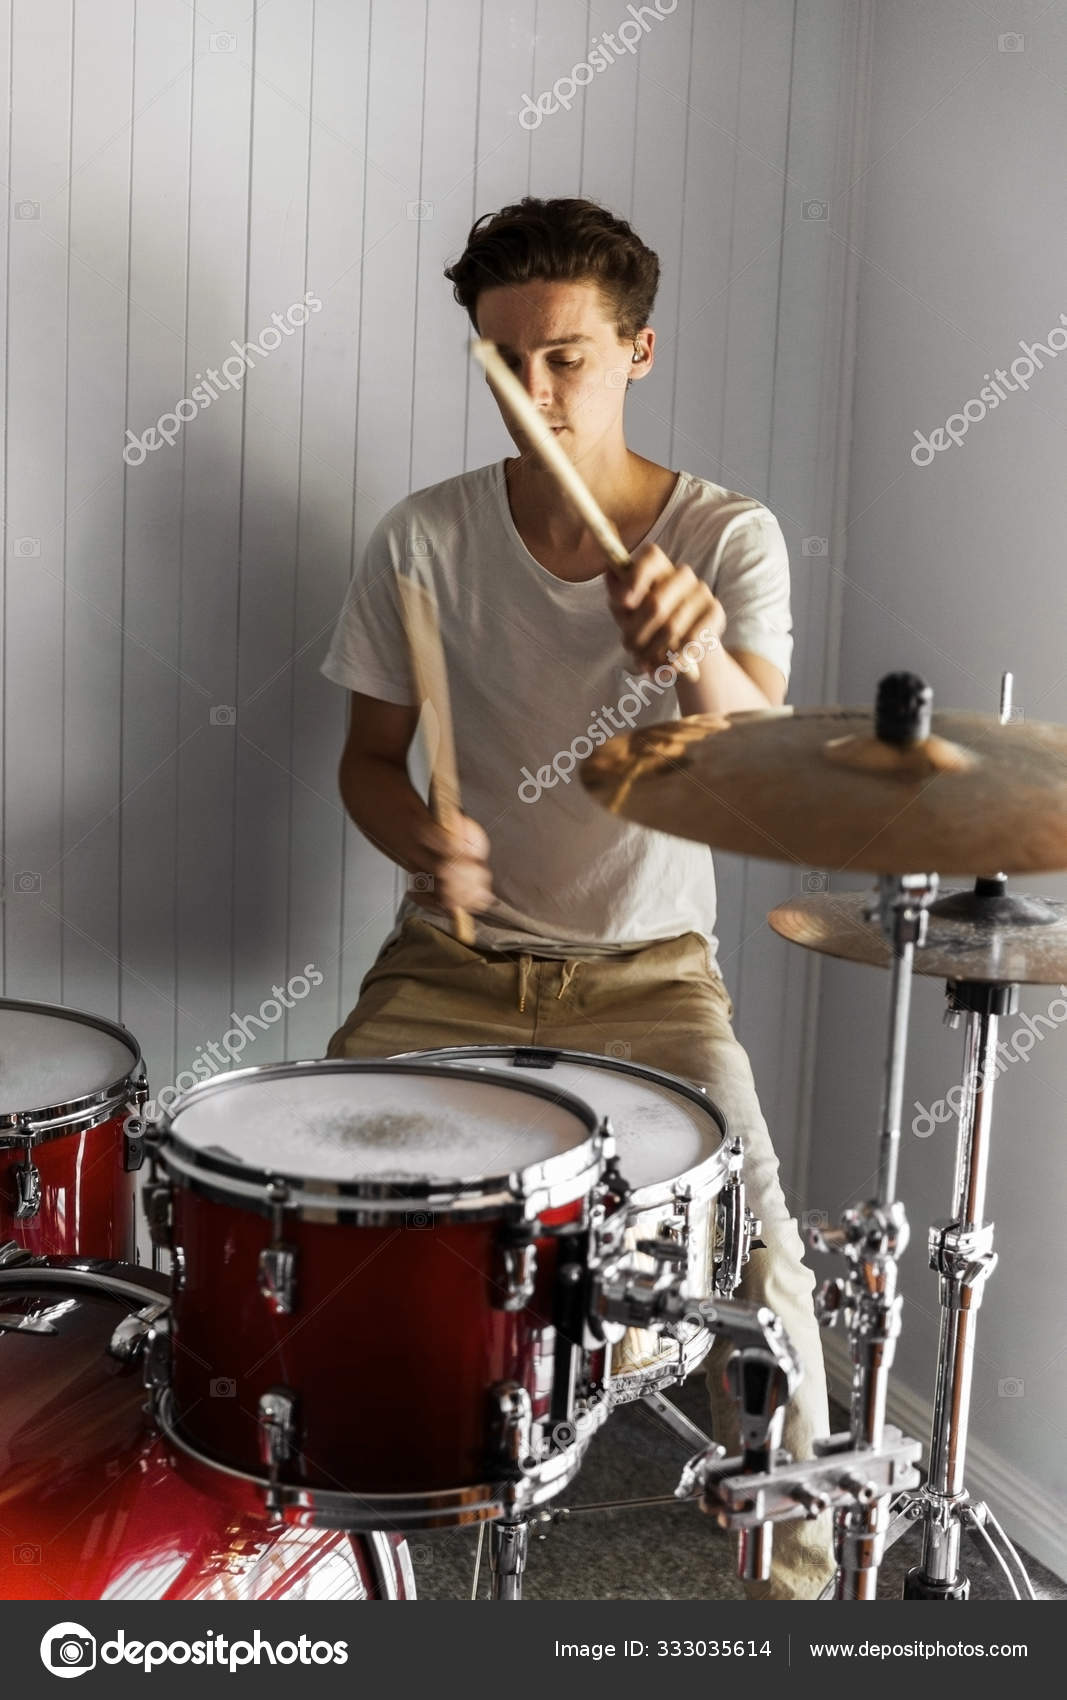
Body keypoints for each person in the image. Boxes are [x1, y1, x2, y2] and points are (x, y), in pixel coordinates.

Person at [321, 196, 833, 1599]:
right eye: (505, 361)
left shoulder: (730, 539)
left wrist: (701, 659)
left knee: (768, 1283)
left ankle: (803, 1596)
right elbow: (368, 764)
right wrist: (423, 837)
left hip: (651, 973)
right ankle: (303, 1578)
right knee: (305, 1211)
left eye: (566, 358)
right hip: (452, 965)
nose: (533, 390)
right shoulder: (421, 540)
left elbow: (755, 768)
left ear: (640, 351)